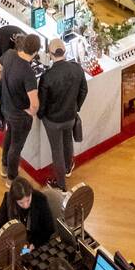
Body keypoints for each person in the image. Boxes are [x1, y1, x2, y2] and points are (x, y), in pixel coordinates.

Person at [38, 37, 87, 189]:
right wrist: (76, 107)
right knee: (67, 141)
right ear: (65, 51)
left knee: (56, 150)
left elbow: (43, 101)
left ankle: (61, 185)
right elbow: (84, 90)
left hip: (53, 120)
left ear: (50, 54)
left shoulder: (47, 76)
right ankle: (68, 167)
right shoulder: (77, 68)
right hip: (70, 116)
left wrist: (41, 114)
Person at [0, 31, 40, 180]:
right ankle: (12, 177)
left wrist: (1, 86)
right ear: (35, 52)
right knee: (16, 146)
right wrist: (30, 112)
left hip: (6, 108)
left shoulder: (9, 54)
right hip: (20, 115)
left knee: (9, 136)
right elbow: (34, 104)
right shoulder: (28, 73)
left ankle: (4, 166)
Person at [0, 175, 54, 249]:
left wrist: (34, 244)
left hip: (34, 241)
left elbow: (49, 229)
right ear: (14, 200)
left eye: (28, 200)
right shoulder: (8, 199)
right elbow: (0, 223)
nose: (25, 205)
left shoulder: (40, 200)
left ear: (31, 192)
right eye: (21, 203)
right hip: (16, 240)